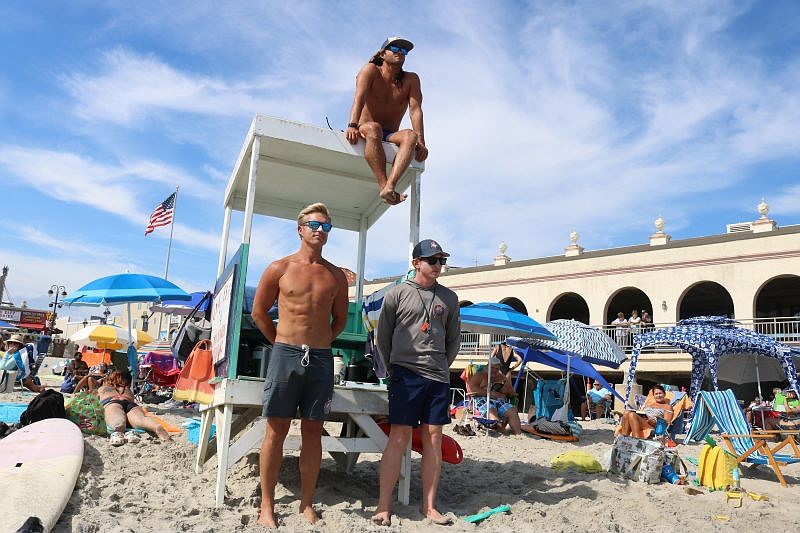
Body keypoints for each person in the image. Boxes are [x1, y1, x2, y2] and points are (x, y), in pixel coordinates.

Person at [251, 202, 349, 528]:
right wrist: (280, 341)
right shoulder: (278, 268)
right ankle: (267, 505)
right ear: (300, 228)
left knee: (313, 433)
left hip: (320, 359)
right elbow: (259, 313)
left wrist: (320, 343)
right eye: (314, 225)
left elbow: (340, 321)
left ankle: (306, 503)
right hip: (284, 354)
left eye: (326, 227)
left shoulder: (335, 276)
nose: (320, 231)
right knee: (275, 432)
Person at [372, 238, 460, 527]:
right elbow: (381, 337)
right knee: (399, 436)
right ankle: (384, 506)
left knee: (434, 437)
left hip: (437, 377)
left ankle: (430, 506)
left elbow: (453, 341)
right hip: (405, 374)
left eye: (441, 261)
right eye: (432, 260)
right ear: (416, 263)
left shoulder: (449, 298)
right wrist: (393, 369)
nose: (437, 265)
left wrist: (439, 367)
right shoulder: (396, 294)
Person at [345, 36, 428, 206]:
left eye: (403, 51)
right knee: (374, 128)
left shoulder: (411, 79)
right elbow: (358, 99)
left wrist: (421, 141)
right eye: (395, 49)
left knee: (410, 136)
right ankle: (383, 184)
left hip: (390, 133)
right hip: (366, 127)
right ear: (382, 54)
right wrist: (352, 125)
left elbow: (415, 110)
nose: (400, 53)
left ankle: (390, 186)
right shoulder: (371, 70)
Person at [95, 371, 171, 445]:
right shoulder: (127, 389)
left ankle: (119, 429)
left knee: (118, 424)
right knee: (141, 420)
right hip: (131, 404)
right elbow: (132, 399)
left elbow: (93, 402)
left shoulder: (103, 388)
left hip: (112, 402)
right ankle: (156, 427)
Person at [468, 356, 523, 435]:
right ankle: (501, 431)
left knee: (512, 410)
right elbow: (472, 389)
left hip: (500, 401)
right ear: (488, 367)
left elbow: (512, 393)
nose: (494, 370)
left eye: (497, 369)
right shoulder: (480, 375)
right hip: (483, 400)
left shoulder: (502, 377)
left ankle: (518, 435)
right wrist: (490, 393)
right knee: (491, 410)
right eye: (492, 368)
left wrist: (506, 390)